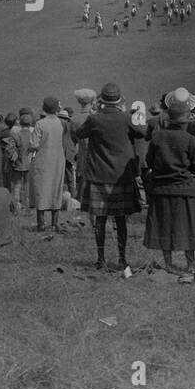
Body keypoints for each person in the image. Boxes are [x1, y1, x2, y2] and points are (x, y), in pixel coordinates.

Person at [74, 82, 142, 271]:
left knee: (100, 220)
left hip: (99, 175)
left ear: (101, 100)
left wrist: (94, 112)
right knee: (120, 220)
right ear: (119, 100)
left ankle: (101, 258)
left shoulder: (95, 119)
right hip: (121, 175)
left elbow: (80, 133)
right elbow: (142, 132)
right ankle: (122, 258)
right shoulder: (127, 118)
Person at [144, 89, 195, 273]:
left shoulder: (157, 137)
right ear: (185, 122)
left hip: (161, 187)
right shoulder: (189, 139)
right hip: (184, 188)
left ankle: (168, 263)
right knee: (189, 228)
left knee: (164, 226)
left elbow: (149, 161)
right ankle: (191, 264)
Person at [29, 97, 68, 233]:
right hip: (58, 159)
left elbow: (33, 144)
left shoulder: (40, 123)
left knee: (41, 189)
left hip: (42, 159)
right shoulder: (62, 123)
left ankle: (41, 224)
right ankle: (55, 223)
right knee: (56, 188)